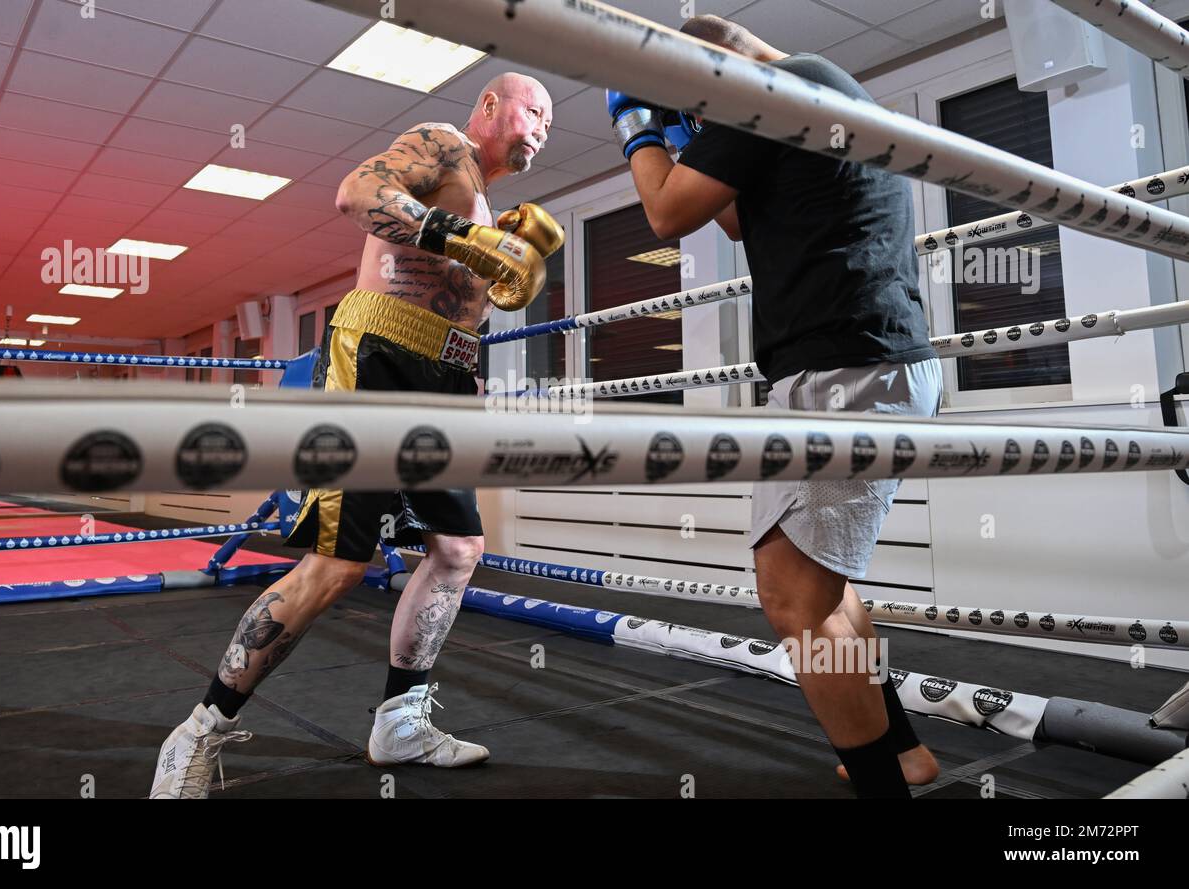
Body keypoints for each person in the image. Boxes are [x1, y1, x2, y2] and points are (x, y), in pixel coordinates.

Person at [150, 72, 561, 798]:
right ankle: (198, 731)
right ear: (492, 106)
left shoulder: (491, 206)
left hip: (442, 381)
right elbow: (356, 194)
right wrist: (462, 233)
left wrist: (471, 362)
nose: (545, 124)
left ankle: (401, 720)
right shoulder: (443, 144)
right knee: (339, 564)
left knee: (459, 548)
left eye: (553, 119)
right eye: (536, 109)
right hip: (376, 358)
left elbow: (462, 304)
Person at [608, 15, 943, 798]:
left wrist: (637, 128)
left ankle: (883, 785)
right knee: (824, 588)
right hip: (851, 363)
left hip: (846, 366)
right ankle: (900, 753)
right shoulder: (804, 90)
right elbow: (725, 213)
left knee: (791, 594)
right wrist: (689, 132)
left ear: (709, 70)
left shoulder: (780, 89)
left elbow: (665, 213)